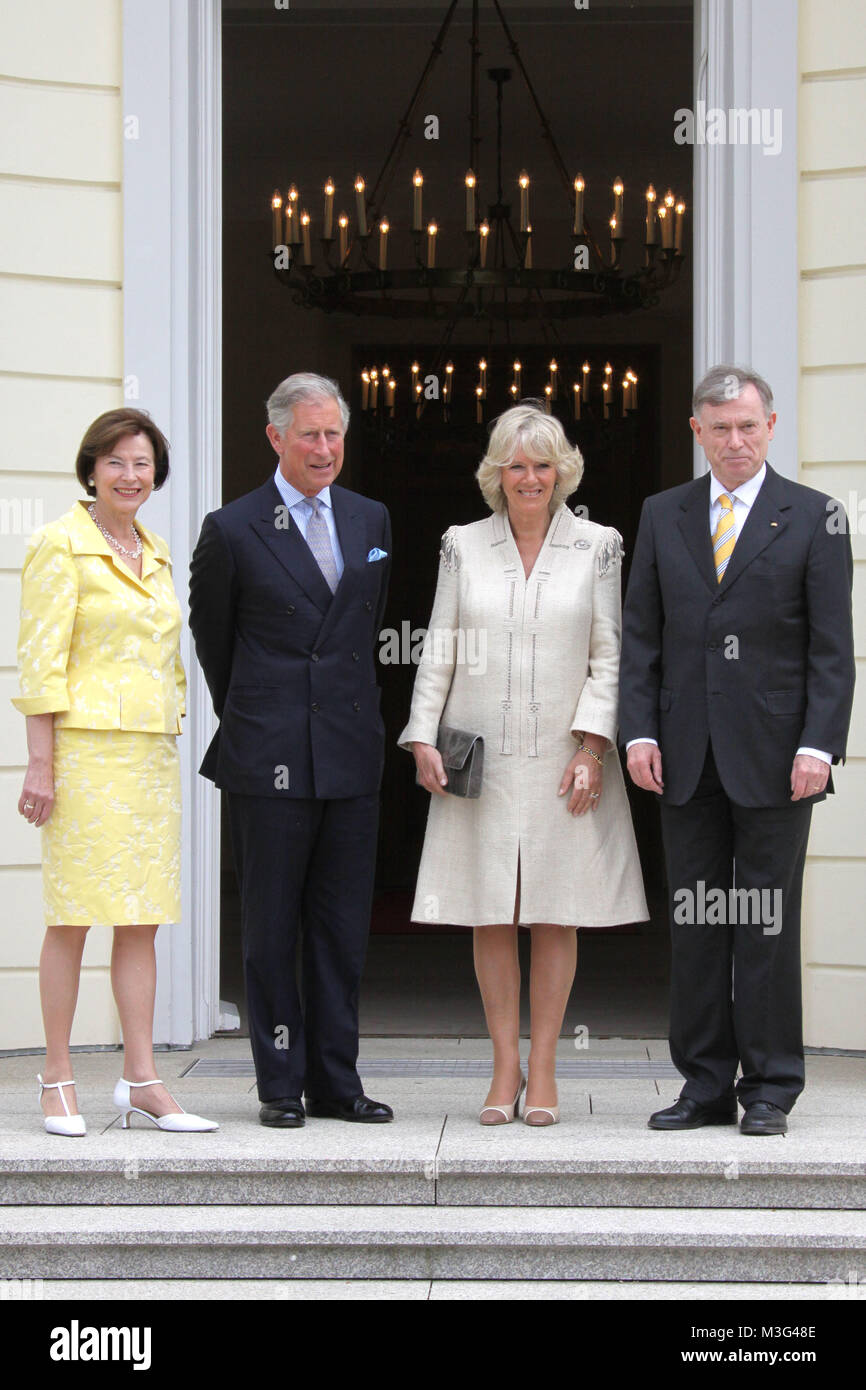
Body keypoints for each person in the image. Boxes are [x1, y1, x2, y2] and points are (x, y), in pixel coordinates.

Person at [619, 365, 855, 1135]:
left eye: (748, 426)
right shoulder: (663, 514)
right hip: (684, 754)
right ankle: (704, 1085)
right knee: (696, 922)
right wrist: (640, 731)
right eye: (719, 428)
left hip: (781, 759)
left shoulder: (816, 516)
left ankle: (770, 1088)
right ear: (698, 432)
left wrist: (820, 746)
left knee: (765, 923)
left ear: (771, 427)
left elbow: (832, 651)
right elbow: (642, 636)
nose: (735, 441)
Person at [399, 403, 648, 1126]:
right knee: (489, 914)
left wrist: (592, 747)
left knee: (555, 913)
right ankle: (503, 1063)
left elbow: (611, 655)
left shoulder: (598, 545)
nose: (530, 477)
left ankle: (544, 1070)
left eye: (542, 465)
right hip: (480, 758)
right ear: (497, 473)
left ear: (562, 471)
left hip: (567, 762)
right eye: (517, 464)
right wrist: (421, 736)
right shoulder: (461, 545)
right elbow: (438, 646)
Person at [189, 372, 393, 1128]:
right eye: (309, 434)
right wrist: (257, 718)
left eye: (334, 433)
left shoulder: (372, 519)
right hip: (268, 754)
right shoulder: (233, 526)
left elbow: (363, 636)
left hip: (349, 755)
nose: (324, 447)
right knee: (272, 928)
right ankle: (279, 1083)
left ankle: (337, 1082)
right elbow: (214, 643)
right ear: (275, 438)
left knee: (341, 930)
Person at [14, 408, 217, 1136]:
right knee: (72, 918)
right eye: (117, 463)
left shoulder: (156, 551)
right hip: (81, 756)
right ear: (91, 469)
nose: (131, 476)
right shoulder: (58, 545)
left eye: (143, 464)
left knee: (141, 922)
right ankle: (58, 1078)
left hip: (148, 759)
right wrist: (41, 765)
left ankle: (141, 1080)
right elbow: (40, 665)